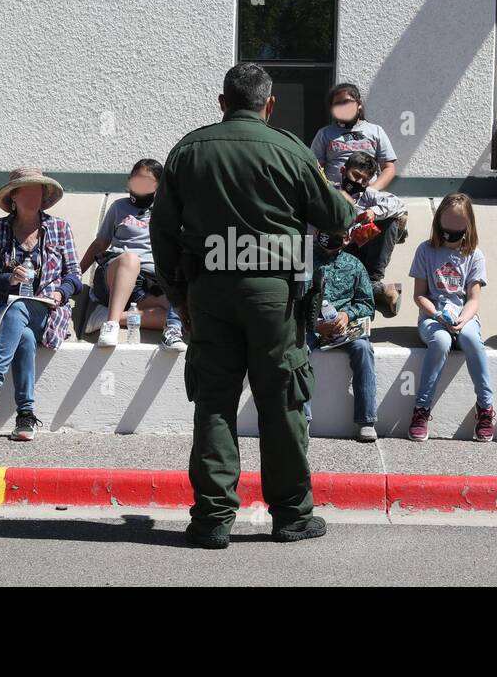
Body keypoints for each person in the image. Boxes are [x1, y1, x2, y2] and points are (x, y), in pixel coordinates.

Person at [151, 63, 355, 549]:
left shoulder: (188, 150)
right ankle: (290, 516)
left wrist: (180, 296)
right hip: (273, 295)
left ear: (222, 103)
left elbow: (162, 231)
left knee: (214, 403)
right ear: (269, 105)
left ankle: (212, 520)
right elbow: (336, 215)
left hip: (209, 291)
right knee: (282, 400)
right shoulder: (288, 148)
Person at [0, 168, 81, 442]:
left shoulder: (59, 227)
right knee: (24, 335)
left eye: (38, 190)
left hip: (48, 311)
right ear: (14, 196)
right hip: (6, 315)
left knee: (20, 308)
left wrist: (61, 294)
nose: (34, 195)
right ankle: (26, 415)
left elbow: (75, 275)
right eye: (28, 190)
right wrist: (9, 279)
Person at [408, 193, 495, 442]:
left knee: (472, 340)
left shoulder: (474, 255)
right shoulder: (425, 250)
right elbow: (419, 295)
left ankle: (486, 407)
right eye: (446, 229)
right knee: (441, 342)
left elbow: (474, 299)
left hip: (463, 316)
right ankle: (421, 409)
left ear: (468, 227)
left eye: (457, 230)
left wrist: (463, 319)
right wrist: (436, 314)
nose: (450, 237)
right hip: (432, 316)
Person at [79, 159, 186, 350]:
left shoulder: (168, 212)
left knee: (179, 312)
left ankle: (111, 315)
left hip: (149, 283)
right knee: (130, 259)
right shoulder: (119, 207)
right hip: (116, 273)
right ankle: (111, 325)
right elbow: (100, 243)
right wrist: (76, 274)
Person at [304, 228, 378, 442]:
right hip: (310, 327)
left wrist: (347, 315)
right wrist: (315, 324)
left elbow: (367, 305)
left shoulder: (354, 265)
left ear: (347, 239)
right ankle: (302, 419)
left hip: (343, 329)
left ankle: (366, 420)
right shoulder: (305, 260)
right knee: (298, 351)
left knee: (363, 349)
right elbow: (293, 300)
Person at [335, 151, 409, 317]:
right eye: (355, 175)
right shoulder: (330, 192)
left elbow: (398, 204)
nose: (359, 182)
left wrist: (374, 212)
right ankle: (379, 290)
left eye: (365, 180)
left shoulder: (366, 194)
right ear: (343, 170)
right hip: (337, 251)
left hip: (362, 248)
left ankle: (373, 279)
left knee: (390, 219)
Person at [309, 83, 398, 191]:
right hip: (336, 195)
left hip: (367, 196)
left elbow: (389, 168)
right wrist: (329, 190)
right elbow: (315, 168)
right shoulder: (324, 134)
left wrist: (373, 190)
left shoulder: (376, 131)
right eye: (337, 104)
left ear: (359, 104)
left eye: (347, 102)